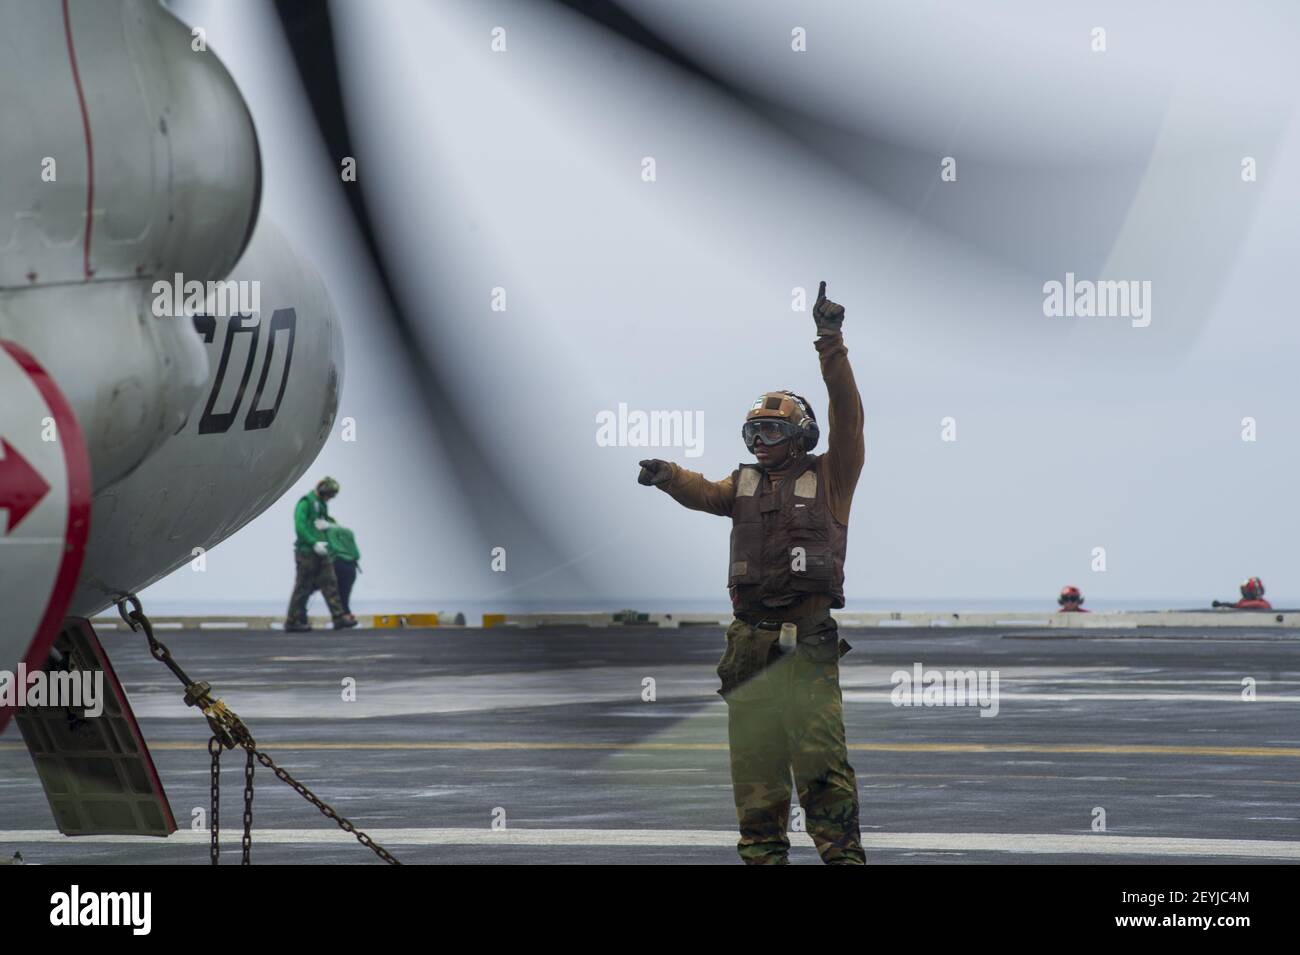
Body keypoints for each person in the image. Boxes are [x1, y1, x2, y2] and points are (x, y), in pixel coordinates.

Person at [637, 280, 865, 865]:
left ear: (799, 436)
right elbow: (703, 492)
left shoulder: (833, 476)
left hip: (806, 640)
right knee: (755, 768)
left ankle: (842, 857)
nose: (760, 440)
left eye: (771, 431)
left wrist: (830, 342)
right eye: (753, 432)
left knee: (822, 765)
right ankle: (763, 857)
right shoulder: (740, 487)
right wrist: (667, 474)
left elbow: (847, 415)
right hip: (750, 643)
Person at [284, 476, 358, 631]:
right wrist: (313, 542)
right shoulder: (305, 503)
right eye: (328, 495)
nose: (329, 498)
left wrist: (329, 529)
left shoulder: (322, 505)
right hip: (306, 552)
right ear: (322, 491)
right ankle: (293, 620)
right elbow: (300, 526)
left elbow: (328, 522)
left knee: (331, 583)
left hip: (322, 552)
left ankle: (339, 618)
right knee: (303, 586)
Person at [327, 522, 361, 617]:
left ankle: (341, 616)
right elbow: (356, 554)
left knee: (334, 592)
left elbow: (330, 549)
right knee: (345, 593)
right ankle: (346, 613)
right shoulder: (348, 532)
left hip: (336, 563)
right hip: (351, 566)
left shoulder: (329, 532)